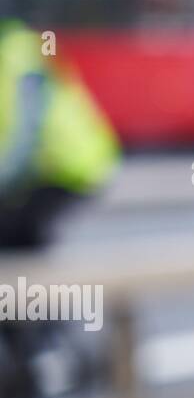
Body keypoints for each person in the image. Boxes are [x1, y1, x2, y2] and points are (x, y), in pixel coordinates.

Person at [0, 17, 119, 249]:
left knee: (16, 234)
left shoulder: (17, 52)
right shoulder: (19, 46)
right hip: (54, 168)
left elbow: (26, 136)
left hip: (67, 167)